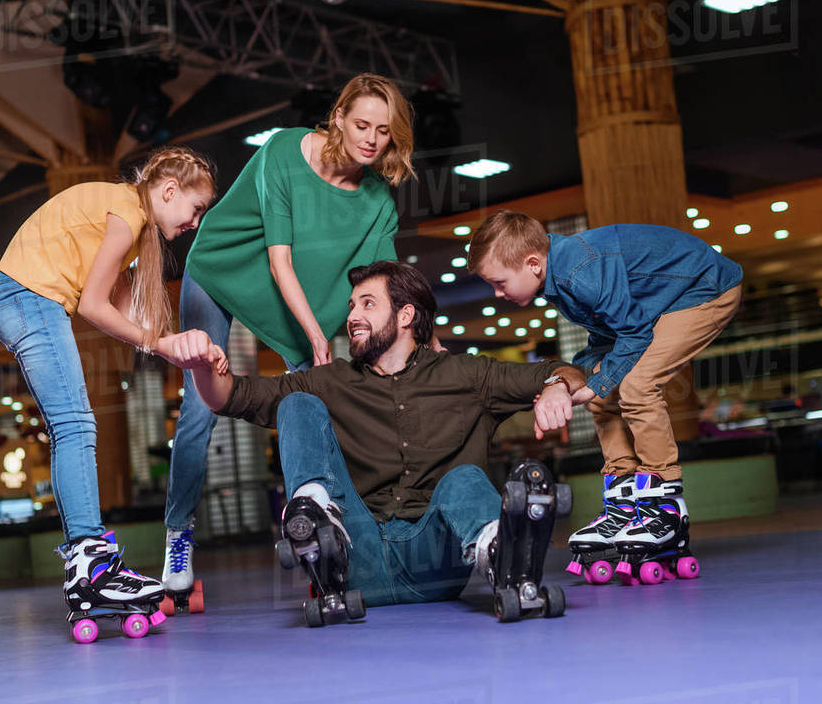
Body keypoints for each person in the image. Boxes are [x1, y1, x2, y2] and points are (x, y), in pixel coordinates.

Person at [183, 261, 580, 615]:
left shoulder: (466, 375)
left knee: (463, 479)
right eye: (352, 306)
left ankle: (504, 559)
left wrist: (557, 387)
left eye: (367, 304)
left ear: (406, 315)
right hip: (357, 558)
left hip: (436, 563)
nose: (353, 316)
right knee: (296, 403)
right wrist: (200, 365)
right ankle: (316, 519)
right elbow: (230, 397)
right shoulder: (333, 381)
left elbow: (565, 371)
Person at [162, 73, 415, 600]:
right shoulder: (283, 150)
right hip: (221, 271)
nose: (371, 139)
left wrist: (425, 335)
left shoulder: (377, 201)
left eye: (383, 131)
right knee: (199, 409)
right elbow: (280, 259)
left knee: (315, 407)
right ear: (338, 118)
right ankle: (178, 534)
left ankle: (324, 536)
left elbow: (388, 280)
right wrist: (316, 340)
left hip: (290, 301)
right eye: (361, 125)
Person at [0, 146, 227, 627]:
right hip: (29, 296)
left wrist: (170, 344)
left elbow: (126, 311)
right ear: (169, 191)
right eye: (196, 208)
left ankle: (89, 560)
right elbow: (94, 306)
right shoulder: (128, 215)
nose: (195, 223)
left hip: (21, 297)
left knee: (72, 425)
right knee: (75, 426)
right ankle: (91, 565)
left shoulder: (125, 216)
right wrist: (159, 344)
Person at [468, 211, 743, 584]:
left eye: (499, 283)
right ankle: (625, 503)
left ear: (532, 264)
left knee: (637, 385)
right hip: (663, 304)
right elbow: (603, 340)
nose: (497, 294)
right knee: (601, 393)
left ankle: (664, 505)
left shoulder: (578, 271)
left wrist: (592, 384)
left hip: (706, 290)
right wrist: (570, 385)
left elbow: (634, 333)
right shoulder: (559, 278)